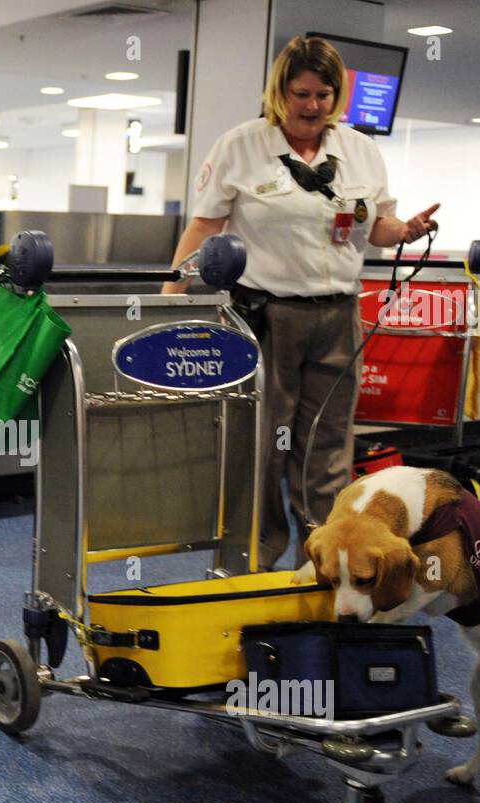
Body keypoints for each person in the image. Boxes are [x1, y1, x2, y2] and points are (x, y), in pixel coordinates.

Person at [164, 35, 439, 570]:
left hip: (337, 315)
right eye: (300, 93)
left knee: (328, 445)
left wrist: (404, 229)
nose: (311, 106)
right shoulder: (241, 146)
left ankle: (324, 557)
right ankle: (255, 558)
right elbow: (205, 224)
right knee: (264, 443)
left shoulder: (360, 149)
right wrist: (169, 297)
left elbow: (375, 227)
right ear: (279, 92)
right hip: (266, 316)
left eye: (323, 95)